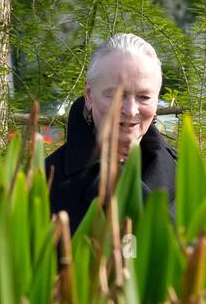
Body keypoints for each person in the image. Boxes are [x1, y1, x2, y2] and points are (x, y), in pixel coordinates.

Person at [45, 33, 176, 230]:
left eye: (144, 97)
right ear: (89, 96)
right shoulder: (47, 183)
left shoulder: (183, 175)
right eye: (116, 96)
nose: (131, 110)